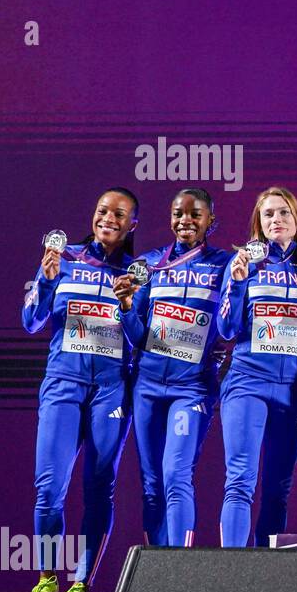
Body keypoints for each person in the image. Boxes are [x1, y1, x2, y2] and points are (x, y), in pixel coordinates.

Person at [25, 189, 139, 592]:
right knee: (49, 486)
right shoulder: (66, 258)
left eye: (119, 214)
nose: (108, 218)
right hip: (63, 384)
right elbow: (31, 320)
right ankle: (47, 577)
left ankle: (81, 582)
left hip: (111, 389)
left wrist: (127, 306)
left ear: (131, 225)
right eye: (102, 210)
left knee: (98, 486)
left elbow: (143, 338)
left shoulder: (139, 271)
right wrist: (45, 277)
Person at [121, 188, 233, 547]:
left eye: (195, 214)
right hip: (148, 386)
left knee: (176, 474)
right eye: (178, 214)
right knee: (152, 482)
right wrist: (125, 309)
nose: (185, 221)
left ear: (210, 221)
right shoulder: (151, 263)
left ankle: (178, 572)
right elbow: (138, 336)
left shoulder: (224, 264)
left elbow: (237, 316)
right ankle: (155, 572)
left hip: (192, 388)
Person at [215, 188, 297, 547]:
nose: (277, 220)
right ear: (259, 223)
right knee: (240, 480)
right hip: (247, 382)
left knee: (278, 489)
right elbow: (226, 329)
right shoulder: (245, 261)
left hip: (294, 387)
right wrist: (238, 283)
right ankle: (232, 579)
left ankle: (265, 582)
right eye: (269, 214)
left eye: (284, 213)